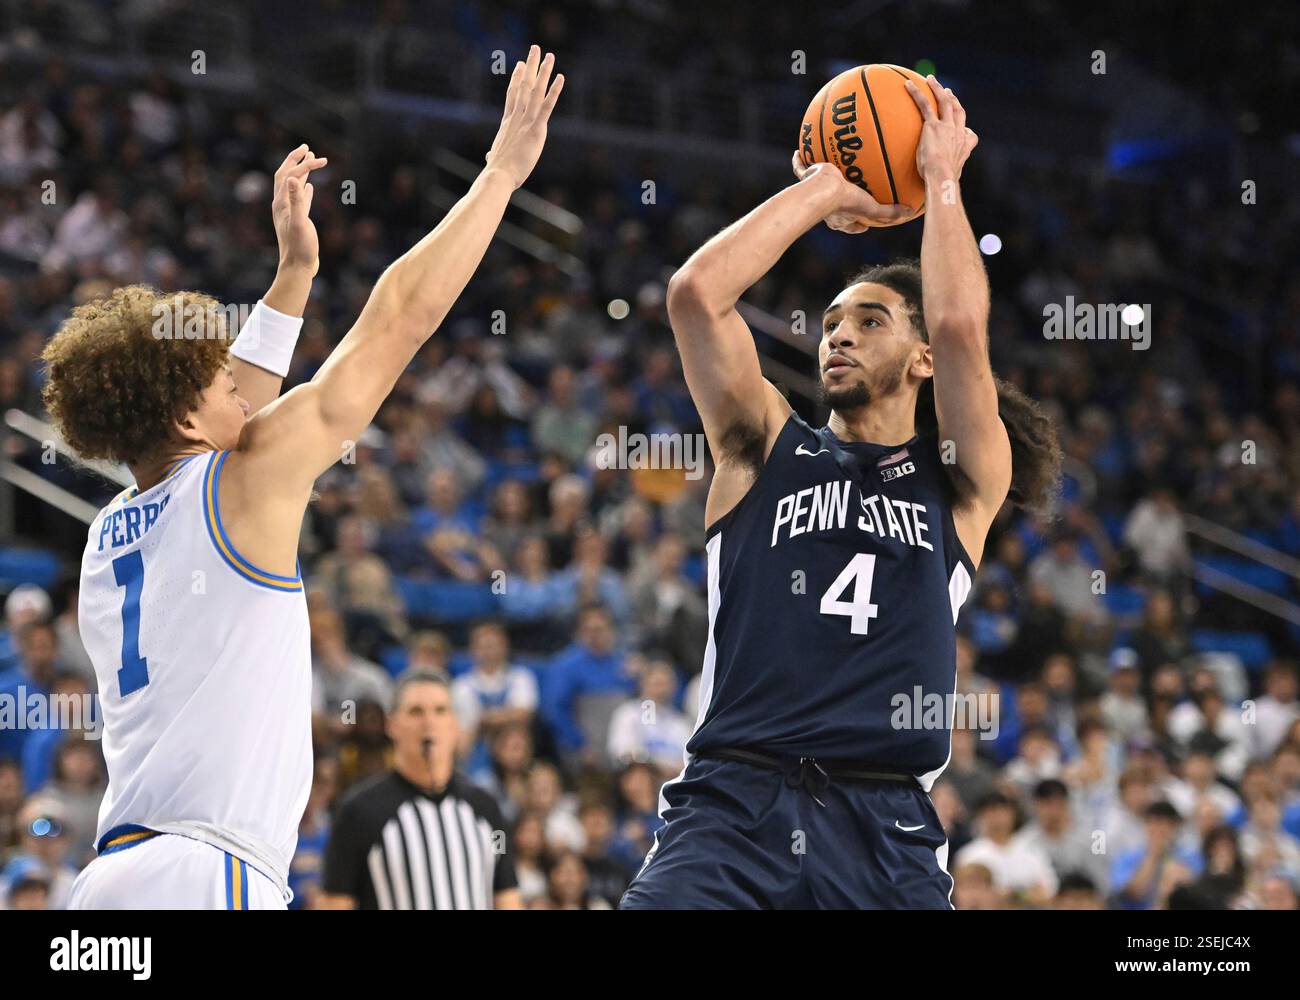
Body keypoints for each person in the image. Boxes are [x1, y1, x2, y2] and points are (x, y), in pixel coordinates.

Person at [44, 47, 563, 909]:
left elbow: (233, 407)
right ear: (183, 419)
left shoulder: (109, 533)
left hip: (107, 886)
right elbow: (398, 320)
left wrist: (294, 275)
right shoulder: (237, 482)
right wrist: (500, 175)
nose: (240, 396)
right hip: (208, 872)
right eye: (217, 384)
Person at [622, 75, 1061, 909]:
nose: (839, 337)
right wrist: (821, 187)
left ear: (922, 359)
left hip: (883, 826)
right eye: (829, 324)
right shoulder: (763, 447)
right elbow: (695, 296)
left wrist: (939, 185)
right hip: (732, 805)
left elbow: (965, 325)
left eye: (869, 321)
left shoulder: (964, 480)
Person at [318, 671, 520, 909]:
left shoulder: (486, 809)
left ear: (454, 724)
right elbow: (334, 903)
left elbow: (508, 899)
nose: (429, 723)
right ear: (392, 725)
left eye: (440, 711)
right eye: (416, 712)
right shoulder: (358, 812)